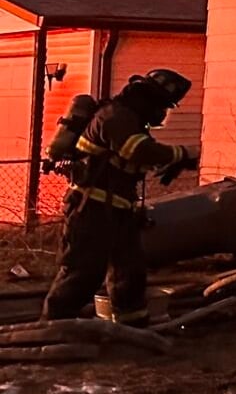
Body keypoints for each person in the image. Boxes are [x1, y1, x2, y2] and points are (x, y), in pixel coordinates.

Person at [41, 70, 198, 326]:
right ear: (148, 98)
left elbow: (132, 161)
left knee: (130, 273)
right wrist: (182, 153)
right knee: (83, 273)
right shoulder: (115, 116)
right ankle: (52, 330)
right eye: (162, 106)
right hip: (89, 208)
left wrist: (174, 162)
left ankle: (132, 328)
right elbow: (137, 150)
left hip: (119, 211)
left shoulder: (132, 120)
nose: (163, 113)